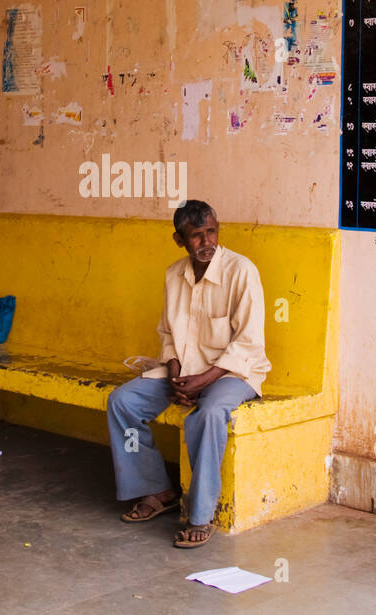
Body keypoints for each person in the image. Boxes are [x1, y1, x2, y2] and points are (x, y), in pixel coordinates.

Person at [105, 200, 269, 548]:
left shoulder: (241, 271)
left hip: (233, 374)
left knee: (208, 415)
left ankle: (200, 515)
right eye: (196, 236)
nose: (207, 241)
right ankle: (159, 491)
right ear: (179, 240)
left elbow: (249, 343)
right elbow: (169, 334)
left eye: (212, 231)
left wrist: (204, 380)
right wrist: (177, 374)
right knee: (122, 402)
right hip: (185, 371)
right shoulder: (173, 275)